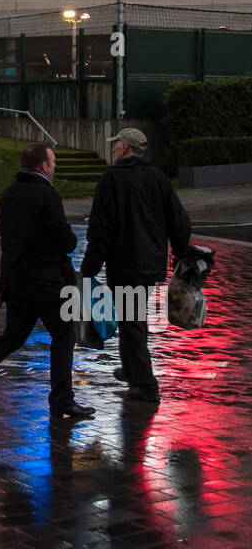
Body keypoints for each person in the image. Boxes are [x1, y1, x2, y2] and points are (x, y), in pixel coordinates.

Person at [0, 142, 94, 422]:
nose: (54, 169)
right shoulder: (47, 196)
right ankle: (62, 399)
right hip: (46, 283)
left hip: (16, 281)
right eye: (53, 164)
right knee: (63, 336)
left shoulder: (9, 195)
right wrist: (69, 239)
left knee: (11, 337)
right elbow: (65, 240)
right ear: (42, 166)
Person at [80, 126, 190, 404]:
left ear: (126, 147)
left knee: (132, 323)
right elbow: (179, 221)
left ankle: (145, 384)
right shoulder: (158, 178)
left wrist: (90, 267)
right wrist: (179, 254)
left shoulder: (112, 180)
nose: (114, 148)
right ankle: (131, 370)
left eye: (116, 144)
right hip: (149, 263)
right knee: (133, 319)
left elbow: (100, 228)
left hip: (125, 263)